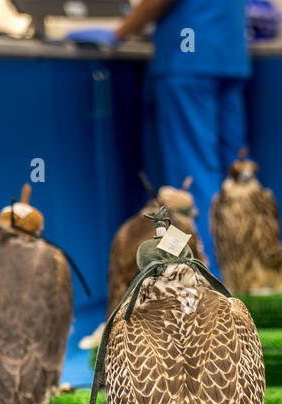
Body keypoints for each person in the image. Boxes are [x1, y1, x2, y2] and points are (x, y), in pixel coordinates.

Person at [116, 0, 250, 273]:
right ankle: (243, 275)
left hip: (188, 60)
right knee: (235, 179)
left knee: (191, 181)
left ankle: (205, 278)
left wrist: (120, 32)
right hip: (228, 52)